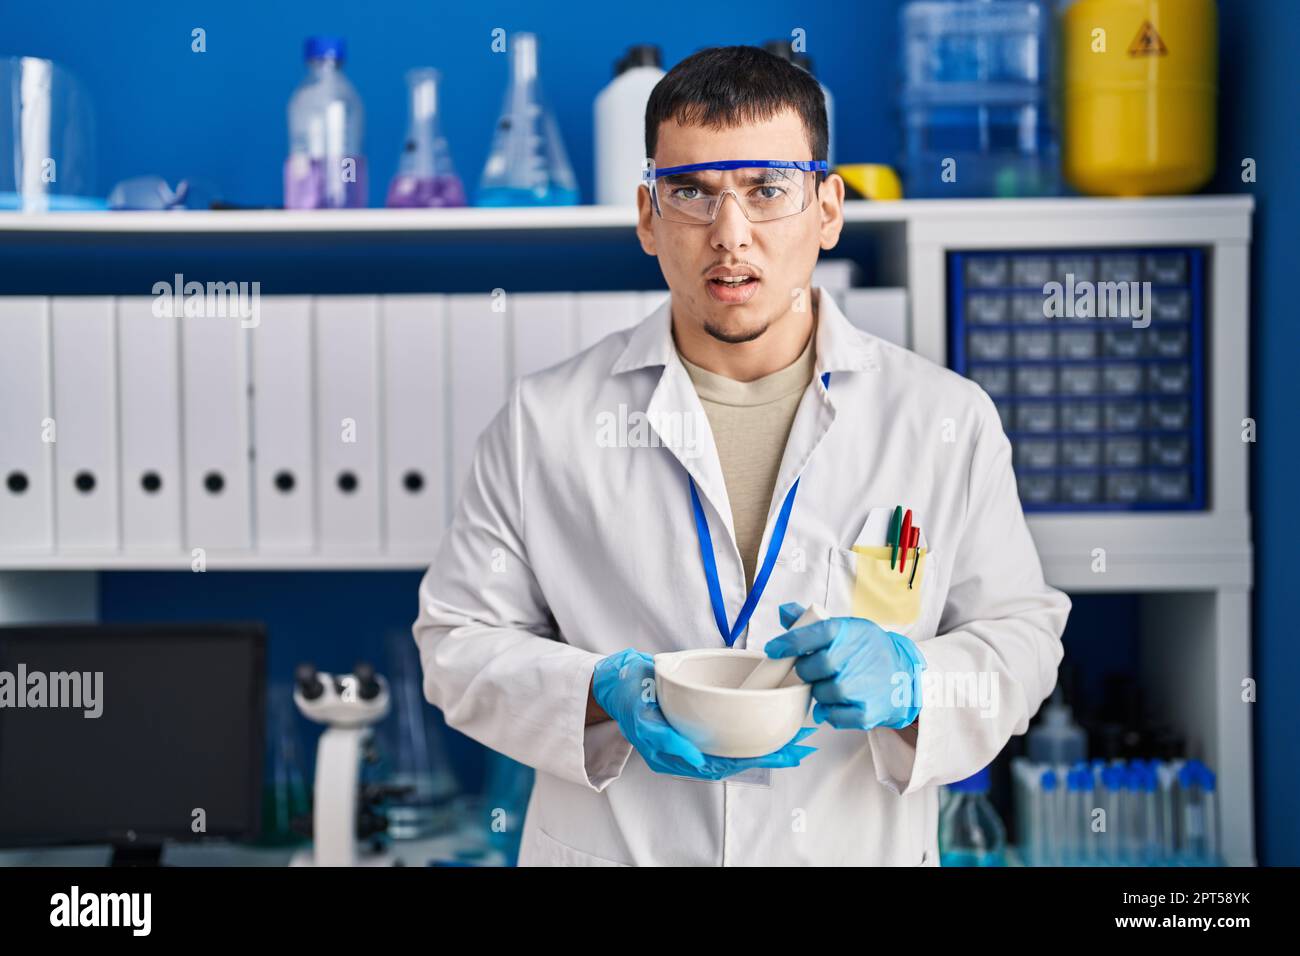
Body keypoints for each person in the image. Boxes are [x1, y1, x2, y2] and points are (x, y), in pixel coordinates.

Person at [413, 45, 1070, 865]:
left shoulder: (943, 419)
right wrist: (600, 692)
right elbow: (456, 644)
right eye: (691, 194)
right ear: (649, 216)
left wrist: (912, 683)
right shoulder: (544, 422)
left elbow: (1021, 639)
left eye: (767, 191)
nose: (731, 235)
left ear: (828, 208)